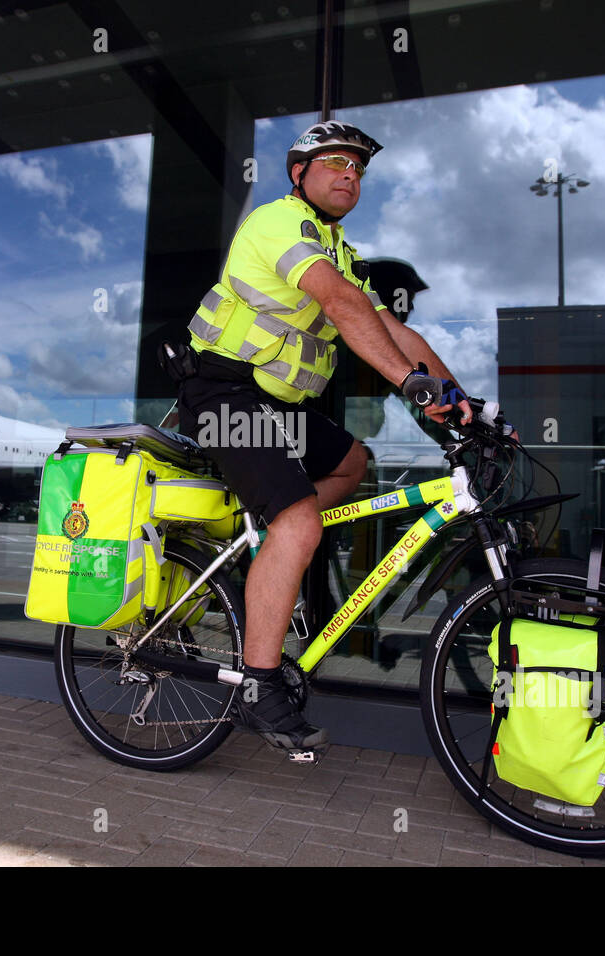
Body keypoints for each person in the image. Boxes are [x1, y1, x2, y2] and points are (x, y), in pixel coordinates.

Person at [173, 121, 476, 755]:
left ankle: (269, 551)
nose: (349, 174)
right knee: (300, 520)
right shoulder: (278, 223)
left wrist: (463, 402)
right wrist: (411, 387)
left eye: (358, 169)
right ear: (299, 175)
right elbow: (338, 304)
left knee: (353, 462)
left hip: (275, 404)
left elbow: (391, 330)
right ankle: (257, 683)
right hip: (220, 395)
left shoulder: (339, 250)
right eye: (335, 163)